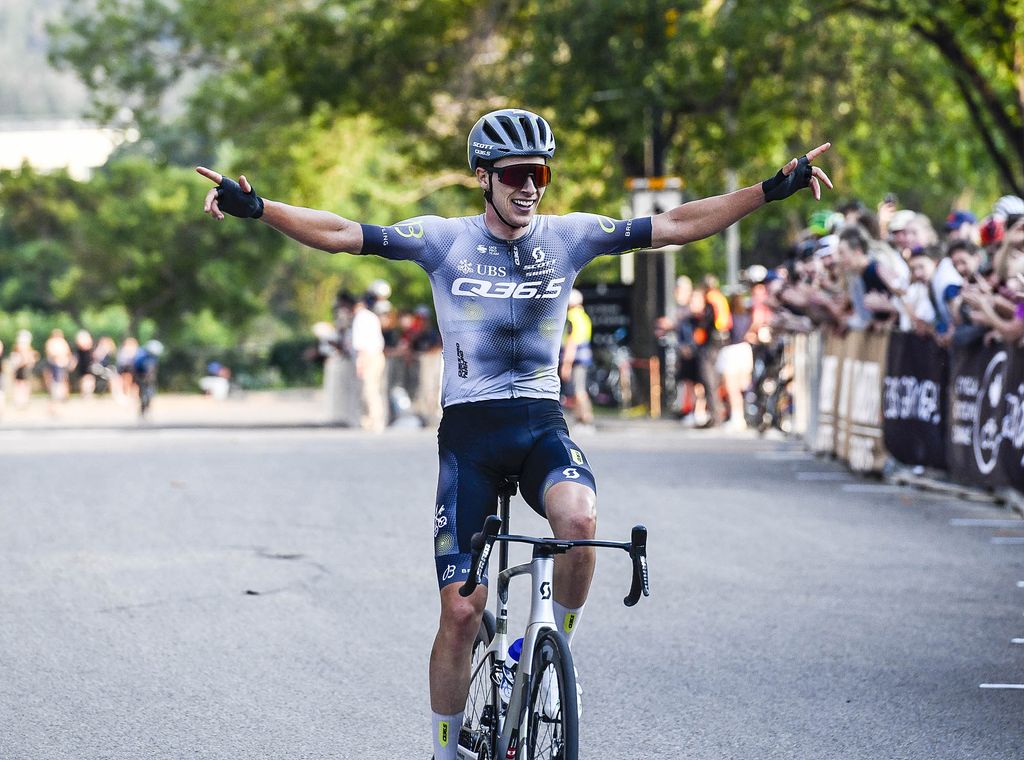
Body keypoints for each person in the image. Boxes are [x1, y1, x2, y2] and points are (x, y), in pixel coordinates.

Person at [197, 107, 831, 759]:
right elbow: (340, 233)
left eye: (541, 174)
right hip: (470, 437)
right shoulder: (442, 240)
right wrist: (260, 208)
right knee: (461, 612)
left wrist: (767, 191)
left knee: (581, 522)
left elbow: (675, 224)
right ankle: (446, 751)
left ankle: (548, 656)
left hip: (539, 424)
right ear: (484, 177)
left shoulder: (571, 236)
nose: (530, 187)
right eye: (516, 175)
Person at [351, 291, 387, 433]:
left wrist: (360, 362)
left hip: (368, 355)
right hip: (378, 355)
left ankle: (374, 420)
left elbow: (361, 343)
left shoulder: (361, 317)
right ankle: (370, 420)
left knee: (369, 389)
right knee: (373, 388)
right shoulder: (372, 316)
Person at [560, 289, 594, 430]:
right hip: (583, 358)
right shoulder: (583, 316)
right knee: (579, 390)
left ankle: (585, 420)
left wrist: (566, 364)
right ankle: (581, 419)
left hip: (576, 359)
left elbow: (571, 342)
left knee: (578, 391)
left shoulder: (572, 317)